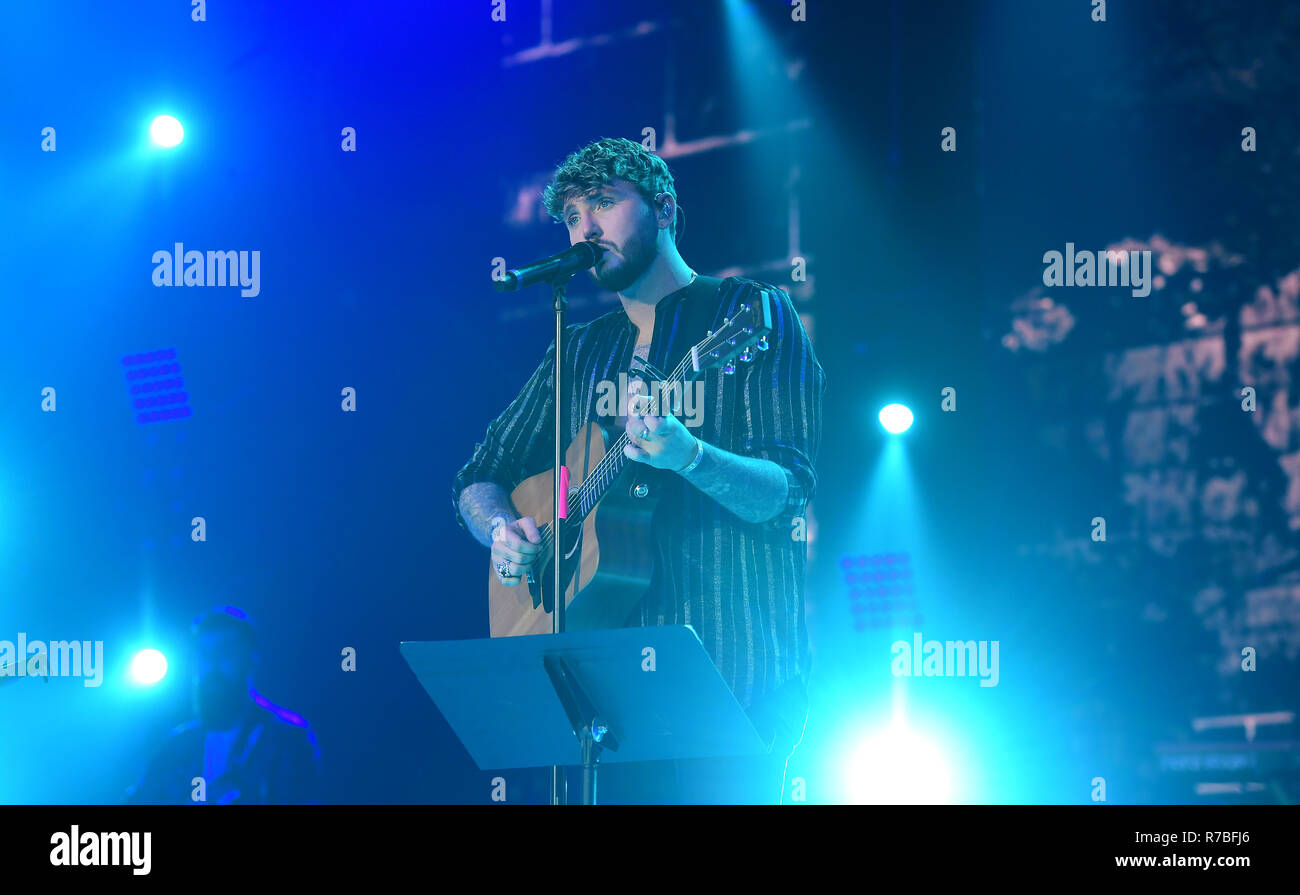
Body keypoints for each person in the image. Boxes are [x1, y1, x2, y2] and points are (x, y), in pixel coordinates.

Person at [452, 137, 825, 803]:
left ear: (665, 208)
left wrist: (690, 454)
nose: (585, 228)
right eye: (570, 214)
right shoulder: (582, 349)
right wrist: (503, 530)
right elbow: (479, 475)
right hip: (604, 697)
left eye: (603, 202)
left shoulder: (749, 314)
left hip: (729, 677)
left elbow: (787, 492)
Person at [127, 606, 322, 804]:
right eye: (203, 654)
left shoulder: (285, 738)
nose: (212, 664)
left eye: (224, 652)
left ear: (249, 660)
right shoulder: (177, 747)